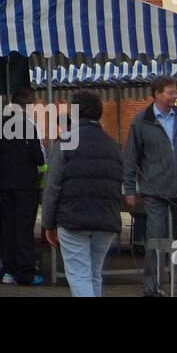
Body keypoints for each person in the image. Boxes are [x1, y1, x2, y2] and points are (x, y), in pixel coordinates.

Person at [122, 77, 177, 296]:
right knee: (157, 237)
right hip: (155, 189)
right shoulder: (142, 121)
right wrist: (129, 188)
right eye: (169, 92)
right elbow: (131, 157)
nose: (175, 96)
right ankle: (152, 284)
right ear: (157, 94)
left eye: (175, 92)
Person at [42, 90, 123, 296]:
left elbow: (52, 186)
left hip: (73, 218)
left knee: (79, 275)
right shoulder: (113, 145)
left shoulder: (65, 142)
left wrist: (48, 223)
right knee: (94, 274)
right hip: (106, 218)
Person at [0, 86, 45, 286]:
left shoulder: (1, 125)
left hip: (6, 183)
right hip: (26, 185)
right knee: (24, 228)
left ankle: (8, 272)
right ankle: (25, 274)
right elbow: (39, 158)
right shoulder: (28, 126)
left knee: (9, 226)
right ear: (27, 105)